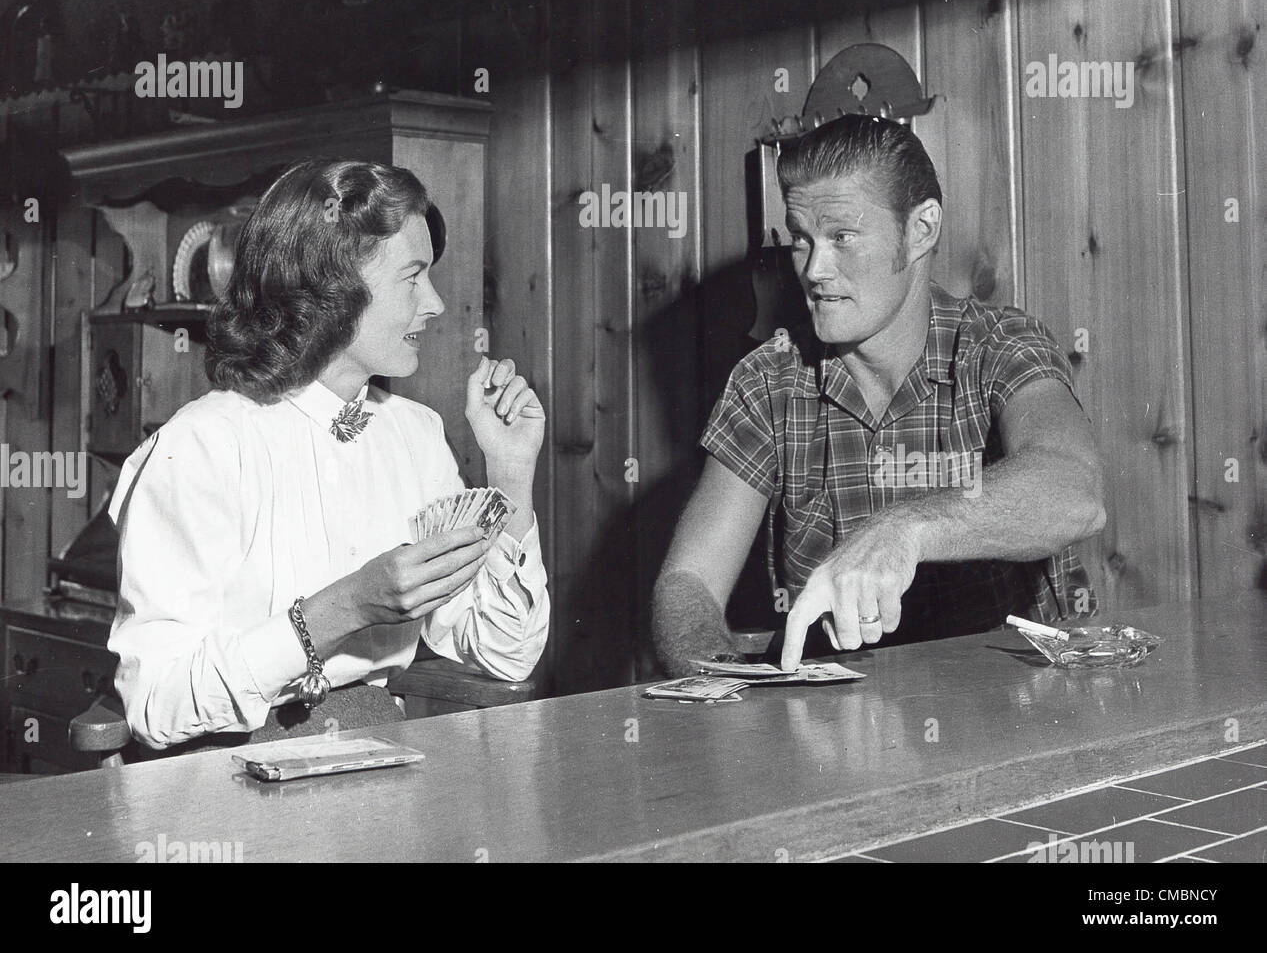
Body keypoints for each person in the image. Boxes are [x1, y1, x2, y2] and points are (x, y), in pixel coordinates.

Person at [108, 158, 548, 750]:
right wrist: (345, 607)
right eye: (412, 277)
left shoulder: (415, 436)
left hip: (378, 759)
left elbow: (506, 655)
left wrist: (512, 479)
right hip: (224, 781)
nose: (437, 303)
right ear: (331, 289)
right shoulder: (202, 447)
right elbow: (155, 703)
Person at [652, 114, 1105, 676]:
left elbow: (1074, 491)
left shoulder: (1000, 346)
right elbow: (688, 582)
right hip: (839, 734)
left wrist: (904, 529)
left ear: (921, 229)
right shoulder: (768, 380)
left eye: (842, 236)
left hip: (1013, 714)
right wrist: (716, 687)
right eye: (801, 239)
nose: (815, 269)